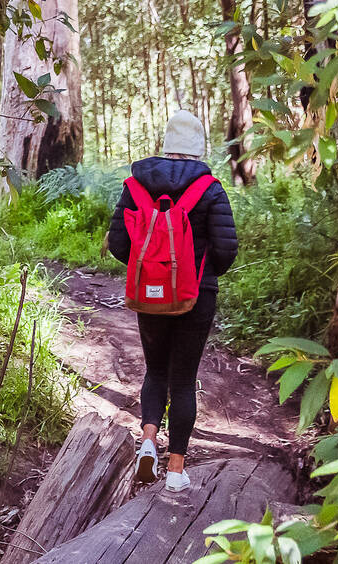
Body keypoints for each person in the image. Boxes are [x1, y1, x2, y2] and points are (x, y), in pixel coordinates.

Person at [107, 110, 238, 492]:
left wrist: (153, 271)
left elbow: (118, 243)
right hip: (196, 297)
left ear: (166, 145)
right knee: (183, 379)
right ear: (198, 149)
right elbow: (228, 251)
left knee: (155, 372)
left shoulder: (135, 187)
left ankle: (147, 441)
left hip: (149, 297)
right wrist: (199, 273)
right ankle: (176, 470)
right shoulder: (210, 188)